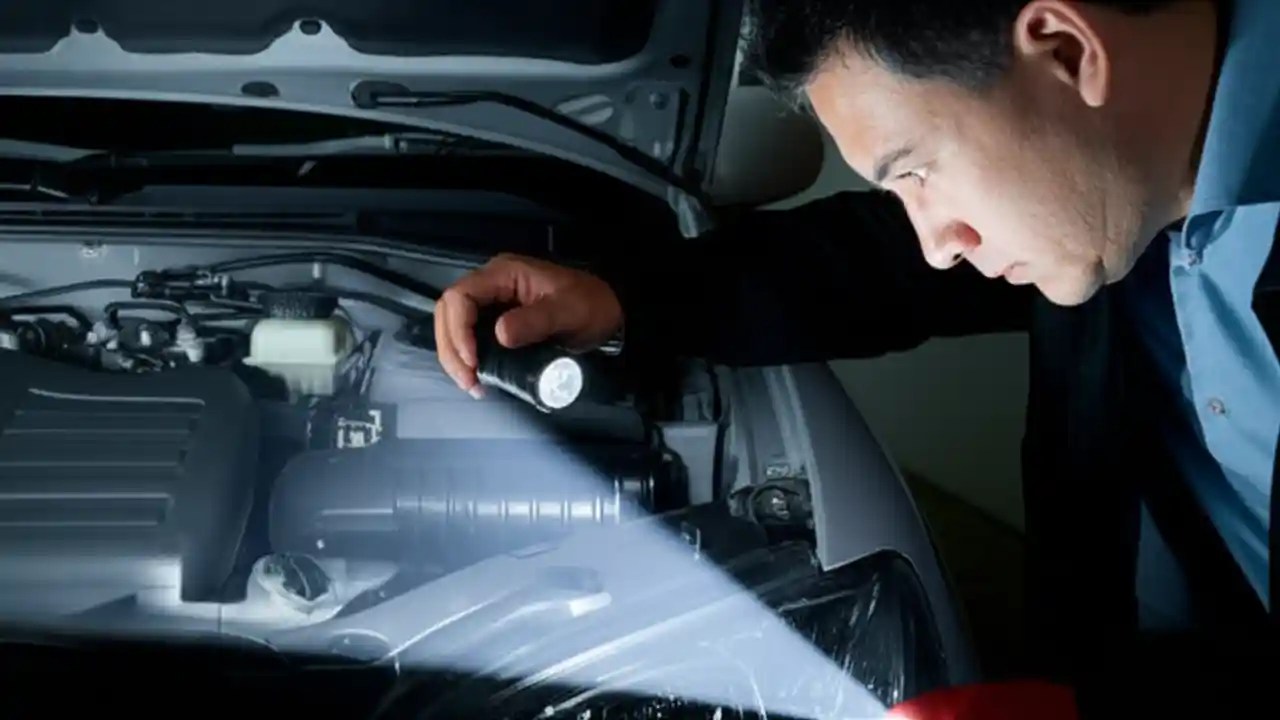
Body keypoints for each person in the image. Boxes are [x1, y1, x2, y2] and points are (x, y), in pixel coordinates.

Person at [434, 0, 1279, 716]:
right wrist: (623, 298)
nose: (937, 243)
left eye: (918, 173)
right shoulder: (1110, 172)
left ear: (1066, 49)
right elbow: (879, 264)